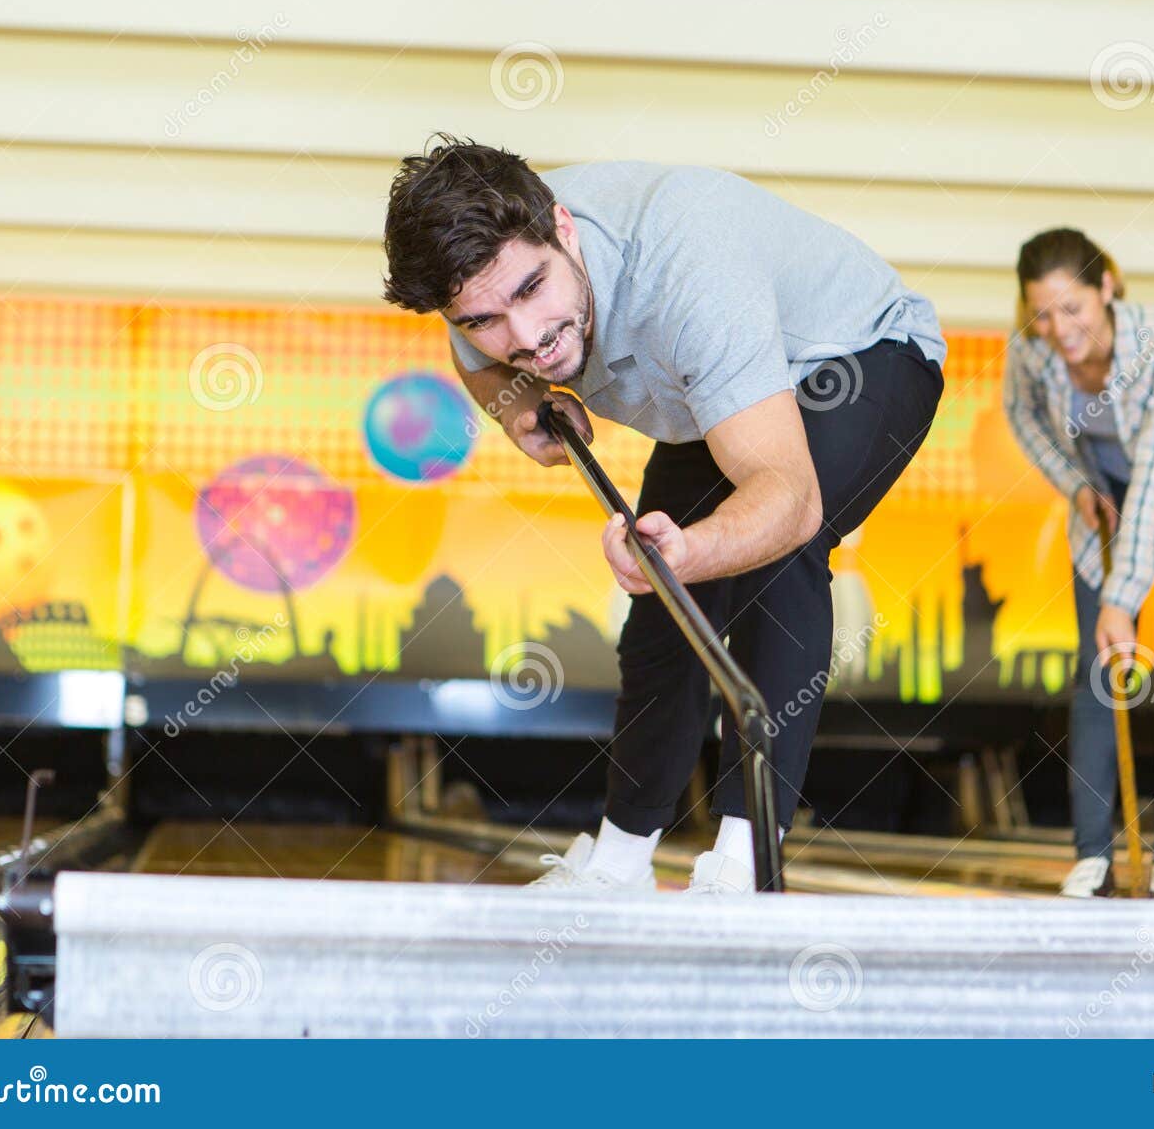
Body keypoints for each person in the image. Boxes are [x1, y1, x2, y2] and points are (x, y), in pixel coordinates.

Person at [383, 136, 945, 894]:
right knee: (660, 609)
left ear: (564, 227)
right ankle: (618, 864)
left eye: (532, 292)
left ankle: (745, 864)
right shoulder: (481, 266)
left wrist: (697, 550)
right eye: (486, 318)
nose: (526, 338)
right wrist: (519, 409)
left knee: (775, 556)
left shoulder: (686, 276)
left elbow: (789, 497)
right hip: (708, 394)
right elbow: (479, 360)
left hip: (860, 355)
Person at [1002, 228, 1154, 902]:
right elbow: (1019, 416)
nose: (1060, 329)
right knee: (1098, 674)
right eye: (1043, 313)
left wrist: (1122, 597)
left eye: (1073, 309)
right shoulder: (1028, 351)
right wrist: (1074, 484)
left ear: (1106, 286)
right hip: (1104, 514)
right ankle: (1090, 856)